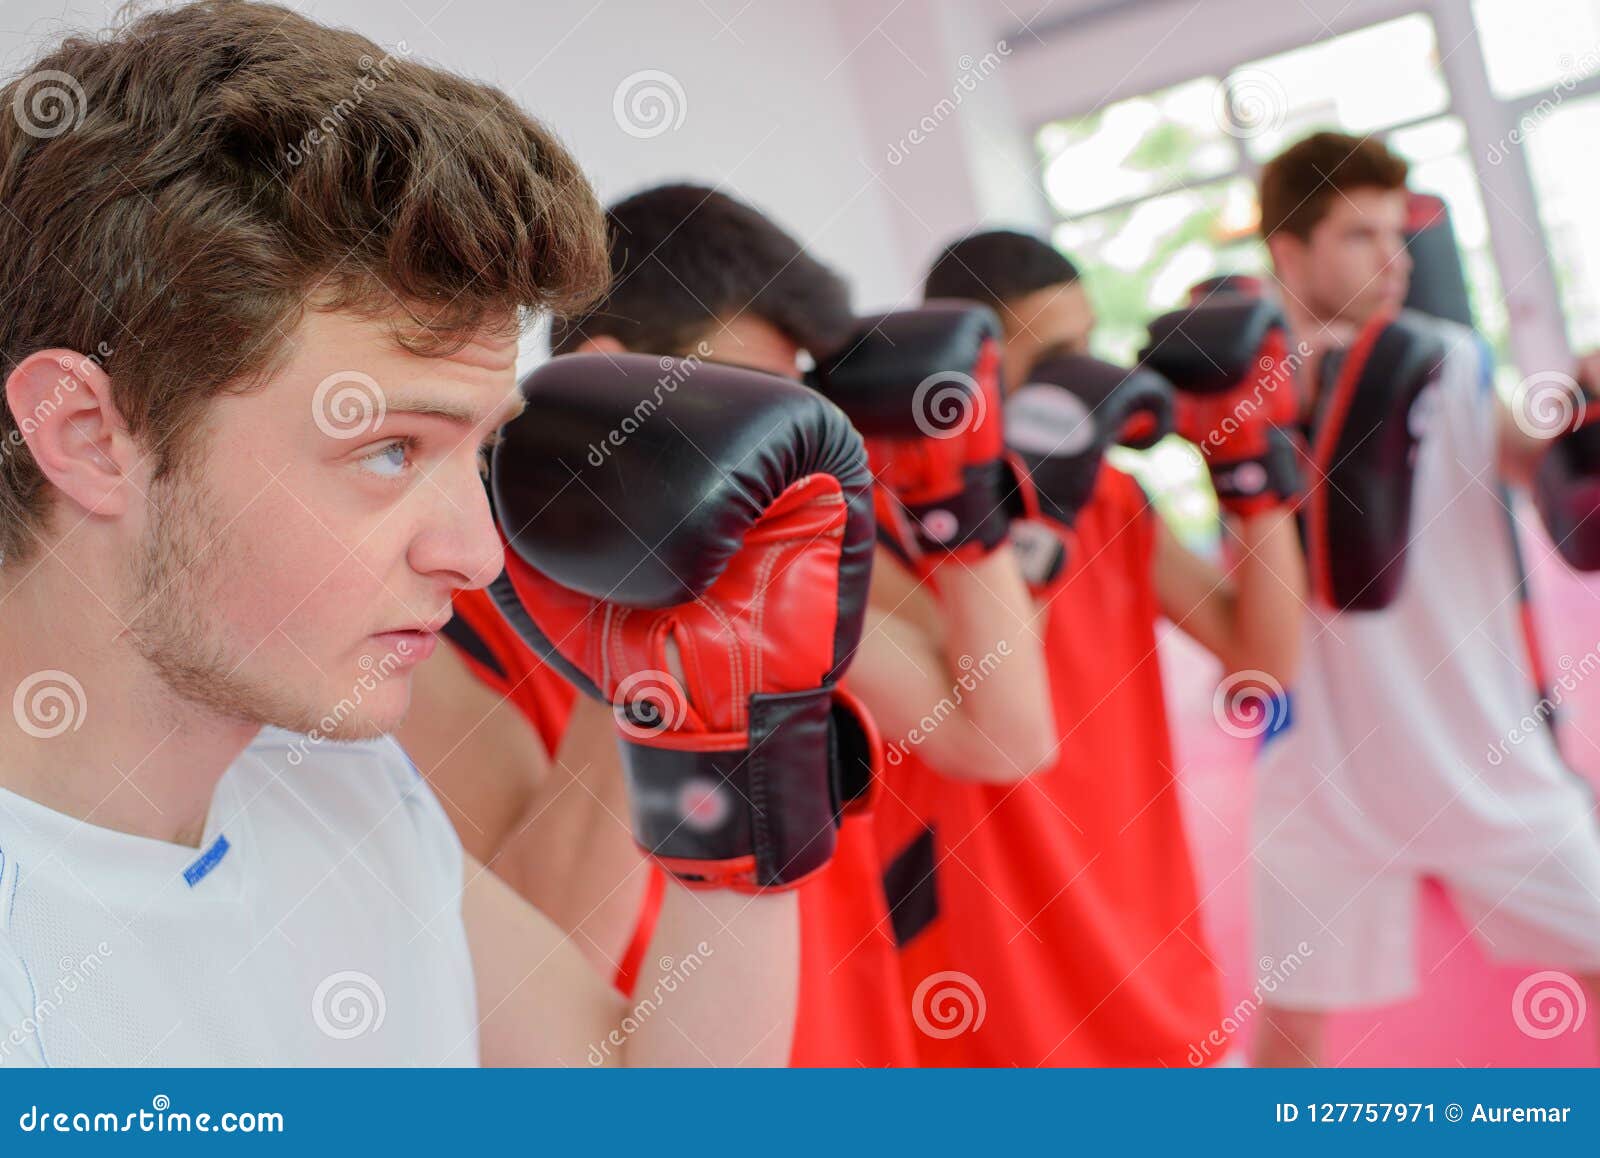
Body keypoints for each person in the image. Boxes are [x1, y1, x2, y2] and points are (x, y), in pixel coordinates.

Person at [0, 1, 836, 1067]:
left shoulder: (337, 784)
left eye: (473, 451)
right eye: (392, 448)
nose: (480, 555)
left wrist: (736, 760)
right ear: (89, 436)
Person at [401, 184, 1059, 1066]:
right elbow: (524, 983)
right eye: (747, 393)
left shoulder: (777, 566)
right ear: (610, 374)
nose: (768, 437)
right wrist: (643, 672)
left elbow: (1003, 739)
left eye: (788, 405)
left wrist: (963, 505)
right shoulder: (449, 607)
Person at [859, 230, 1306, 1066]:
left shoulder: (1109, 492)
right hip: (996, 959)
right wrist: (1037, 516)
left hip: (1146, 922)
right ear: (975, 378)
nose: (1089, 378)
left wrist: (1250, 473)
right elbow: (984, 692)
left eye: (1088, 344)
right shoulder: (882, 521)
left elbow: (1264, 659)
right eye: (1057, 358)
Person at [1250, 130, 1600, 1065]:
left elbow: (1535, 462)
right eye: (1360, 235)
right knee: (1289, 1033)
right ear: (1291, 250)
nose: (1393, 260)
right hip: (1323, 775)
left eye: (1396, 234)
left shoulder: (1452, 357)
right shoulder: (1250, 388)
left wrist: (1587, 408)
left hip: (1480, 745)